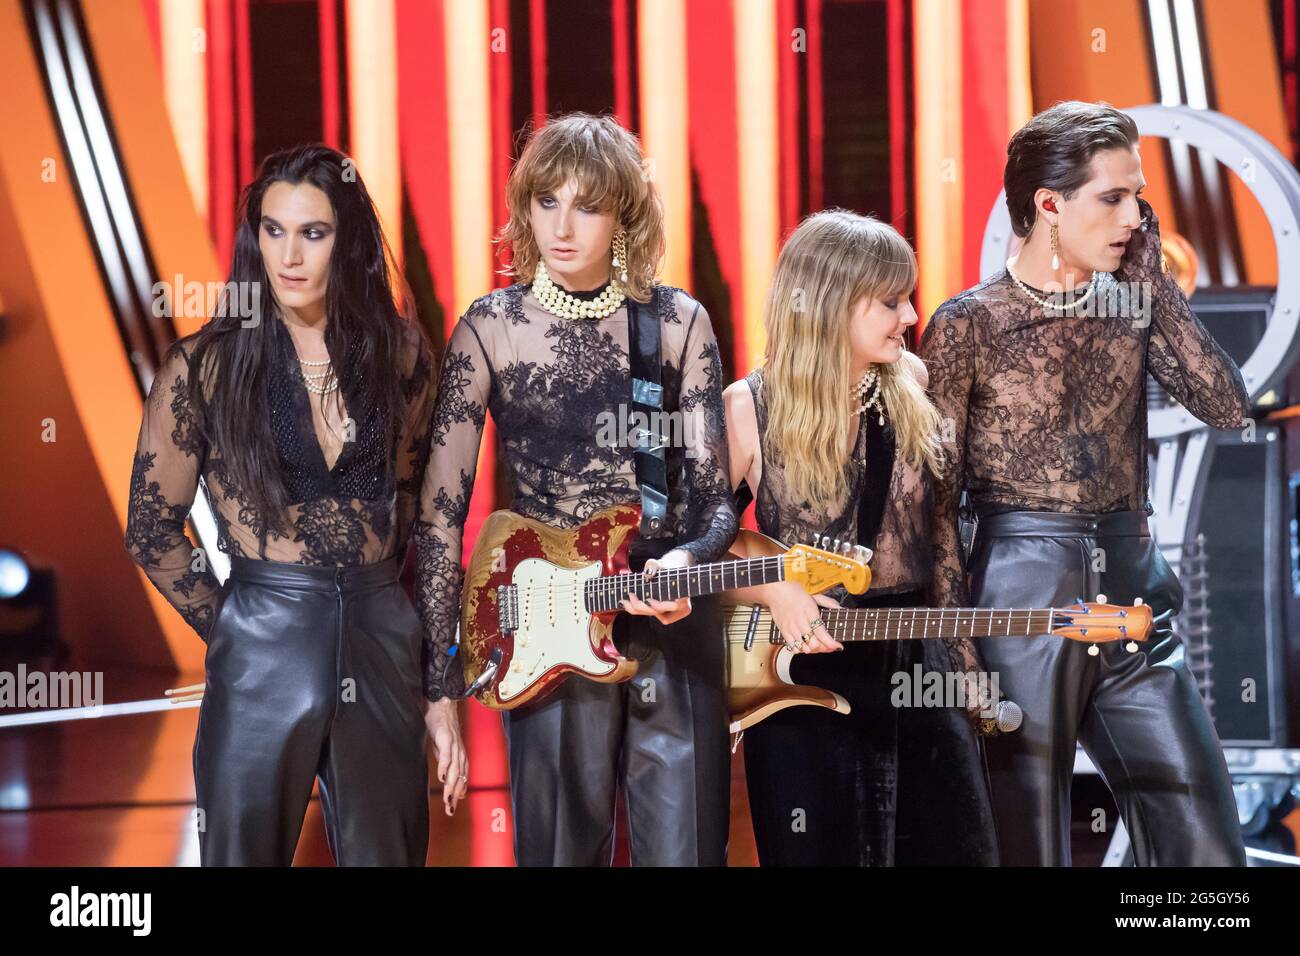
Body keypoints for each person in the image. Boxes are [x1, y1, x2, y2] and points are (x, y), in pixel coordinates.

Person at [919, 100, 1249, 866]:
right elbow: (930, 508)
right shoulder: (968, 323)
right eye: (1114, 197)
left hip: (1135, 591)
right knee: (1028, 845)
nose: (1134, 214)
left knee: (1205, 849)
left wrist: (1155, 285)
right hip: (1018, 596)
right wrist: (957, 652)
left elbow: (1226, 406)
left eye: (1139, 196)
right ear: (1048, 204)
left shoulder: (1132, 304)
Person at [124, 144, 465, 866]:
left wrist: (441, 684)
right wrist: (233, 628)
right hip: (260, 647)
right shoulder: (206, 367)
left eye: (313, 233)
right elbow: (152, 526)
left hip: (381, 640)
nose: (290, 255)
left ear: (350, 241)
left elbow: (428, 523)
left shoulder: (403, 355)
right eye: (272, 232)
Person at [414, 112, 738, 866]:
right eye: (545, 201)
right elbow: (437, 517)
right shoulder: (489, 328)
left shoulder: (679, 321)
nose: (562, 225)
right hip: (545, 634)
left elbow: (715, 497)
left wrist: (690, 558)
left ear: (624, 216)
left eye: (586, 205)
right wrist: (442, 680)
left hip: (670, 626)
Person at [724, 209, 998, 865]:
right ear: (828, 304)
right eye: (890, 301)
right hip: (804, 671)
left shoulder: (911, 384)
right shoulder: (747, 407)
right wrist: (774, 591)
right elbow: (693, 541)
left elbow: (939, 540)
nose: (910, 316)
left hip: (916, 661)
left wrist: (965, 665)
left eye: (908, 296)